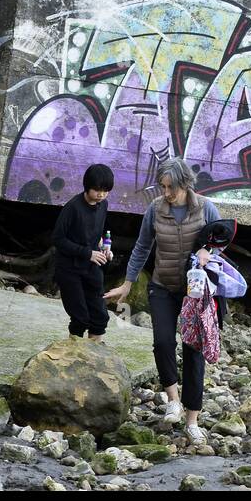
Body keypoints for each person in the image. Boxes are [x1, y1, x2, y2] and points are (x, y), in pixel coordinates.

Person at [104, 156, 220, 445]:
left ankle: (192, 421)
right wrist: (128, 284)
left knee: (194, 352)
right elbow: (142, 246)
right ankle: (173, 400)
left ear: (184, 184)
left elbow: (221, 238)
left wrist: (209, 252)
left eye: (170, 187)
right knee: (163, 342)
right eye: (163, 187)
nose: (165, 193)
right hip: (162, 286)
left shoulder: (206, 208)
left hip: (194, 292)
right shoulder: (155, 209)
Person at [52, 163, 114, 339]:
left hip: (92, 267)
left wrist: (105, 247)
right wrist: (87, 253)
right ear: (87, 186)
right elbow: (58, 239)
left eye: (105, 190)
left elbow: (98, 233)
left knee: (100, 317)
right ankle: (75, 357)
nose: (101, 194)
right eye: (97, 190)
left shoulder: (103, 205)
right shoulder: (73, 208)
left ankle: (93, 358)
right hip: (69, 269)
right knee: (80, 318)